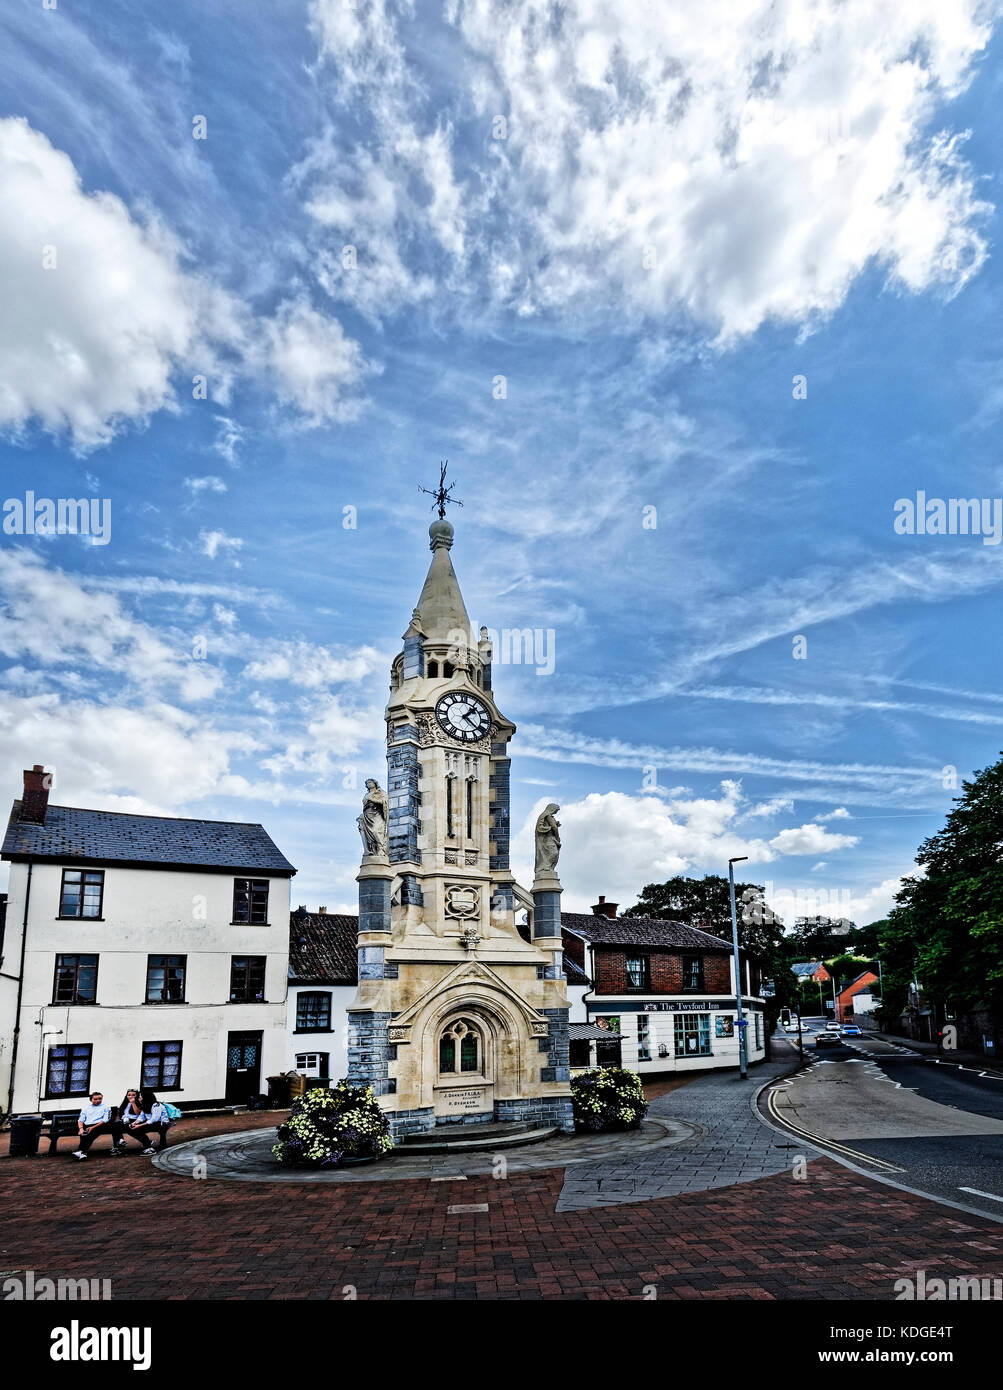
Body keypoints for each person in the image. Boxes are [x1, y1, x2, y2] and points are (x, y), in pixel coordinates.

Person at [73, 1092, 124, 1159]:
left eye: (100, 1099)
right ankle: (82, 1152)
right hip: (87, 1125)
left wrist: (92, 1127)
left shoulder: (106, 1107)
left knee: (91, 1133)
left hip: (101, 1125)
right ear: (91, 1100)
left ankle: (81, 1151)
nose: (98, 1100)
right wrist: (81, 1129)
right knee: (85, 1133)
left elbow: (105, 1120)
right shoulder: (86, 1108)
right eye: (95, 1099)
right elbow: (81, 1120)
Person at [117, 1088, 155, 1152]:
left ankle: (148, 1144)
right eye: (129, 1095)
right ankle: (120, 1140)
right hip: (125, 1120)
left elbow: (138, 1113)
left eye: (133, 1095)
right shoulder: (125, 1103)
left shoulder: (139, 1102)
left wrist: (133, 1103)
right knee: (116, 1125)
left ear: (137, 1096)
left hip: (135, 1120)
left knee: (130, 1129)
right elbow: (121, 1113)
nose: (131, 1096)